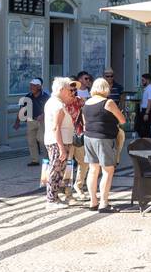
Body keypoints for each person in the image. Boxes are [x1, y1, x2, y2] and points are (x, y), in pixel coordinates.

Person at [83, 78, 126, 211]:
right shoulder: (108, 102)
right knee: (108, 170)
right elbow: (122, 120)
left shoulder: (86, 103)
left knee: (93, 170)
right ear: (106, 89)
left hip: (89, 137)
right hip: (104, 138)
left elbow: (85, 123)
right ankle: (104, 202)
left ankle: (93, 201)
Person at [42, 77, 75, 208]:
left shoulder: (55, 102)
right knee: (56, 170)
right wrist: (61, 147)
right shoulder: (57, 105)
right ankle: (51, 199)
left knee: (58, 170)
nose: (70, 92)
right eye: (68, 90)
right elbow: (56, 127)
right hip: (57, 142)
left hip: (58, 140)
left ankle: (54, 197)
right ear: (61, 90)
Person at [13, 78, 48, 165]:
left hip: (42, 121)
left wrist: (43, 115)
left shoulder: (46, 96)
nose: (31, 87)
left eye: (34, 86)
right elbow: (22, 110)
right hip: (30, 120)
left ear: (39, 87)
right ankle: (34, 160)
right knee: (30, 140)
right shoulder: (28, 96)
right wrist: (17, 122)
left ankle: (47, 158)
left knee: (42, 139)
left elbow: (49, 109)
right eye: (31, 85)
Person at [137, 72, 151, 138]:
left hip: (148, 110)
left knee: (145, 128)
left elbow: (150, 101)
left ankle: (147, 142)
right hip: (145, 109)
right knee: (142, 127)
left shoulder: (150, 89)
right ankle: (144, 142)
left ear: (148, 80)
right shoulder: (146, 88)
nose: (142, 82)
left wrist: (146, 113)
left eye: (143, 80)